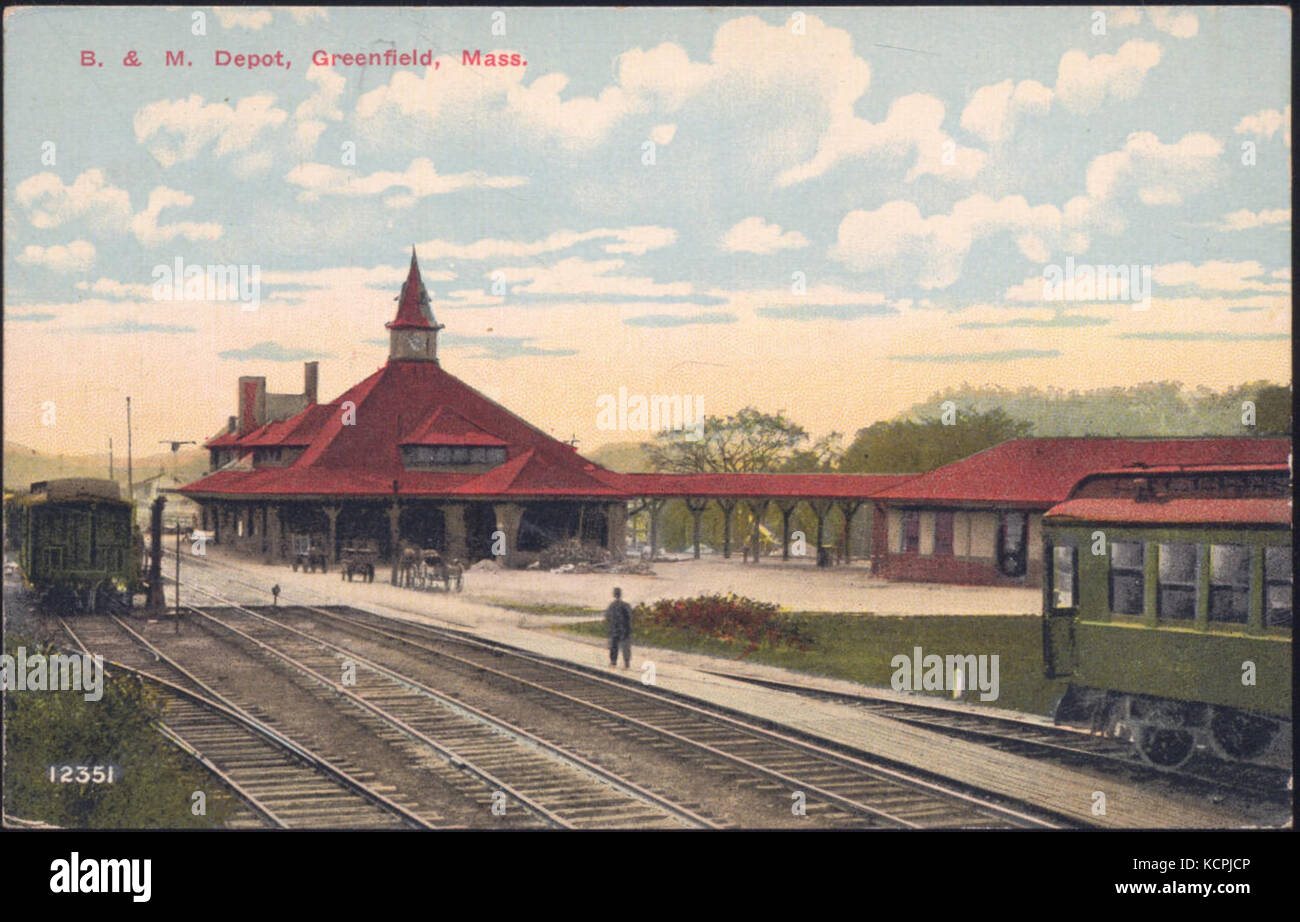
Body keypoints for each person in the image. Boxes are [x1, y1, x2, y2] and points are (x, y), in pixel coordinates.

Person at [604, 587, 633, 668]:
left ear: (614, 594)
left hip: (616, 629)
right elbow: (630, 618)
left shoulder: (612, 605)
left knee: (614, 646)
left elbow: (607, 617)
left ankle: (614, 662)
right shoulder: (625, 605)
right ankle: (626, 663)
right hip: (624, 629)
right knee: (625, 647)